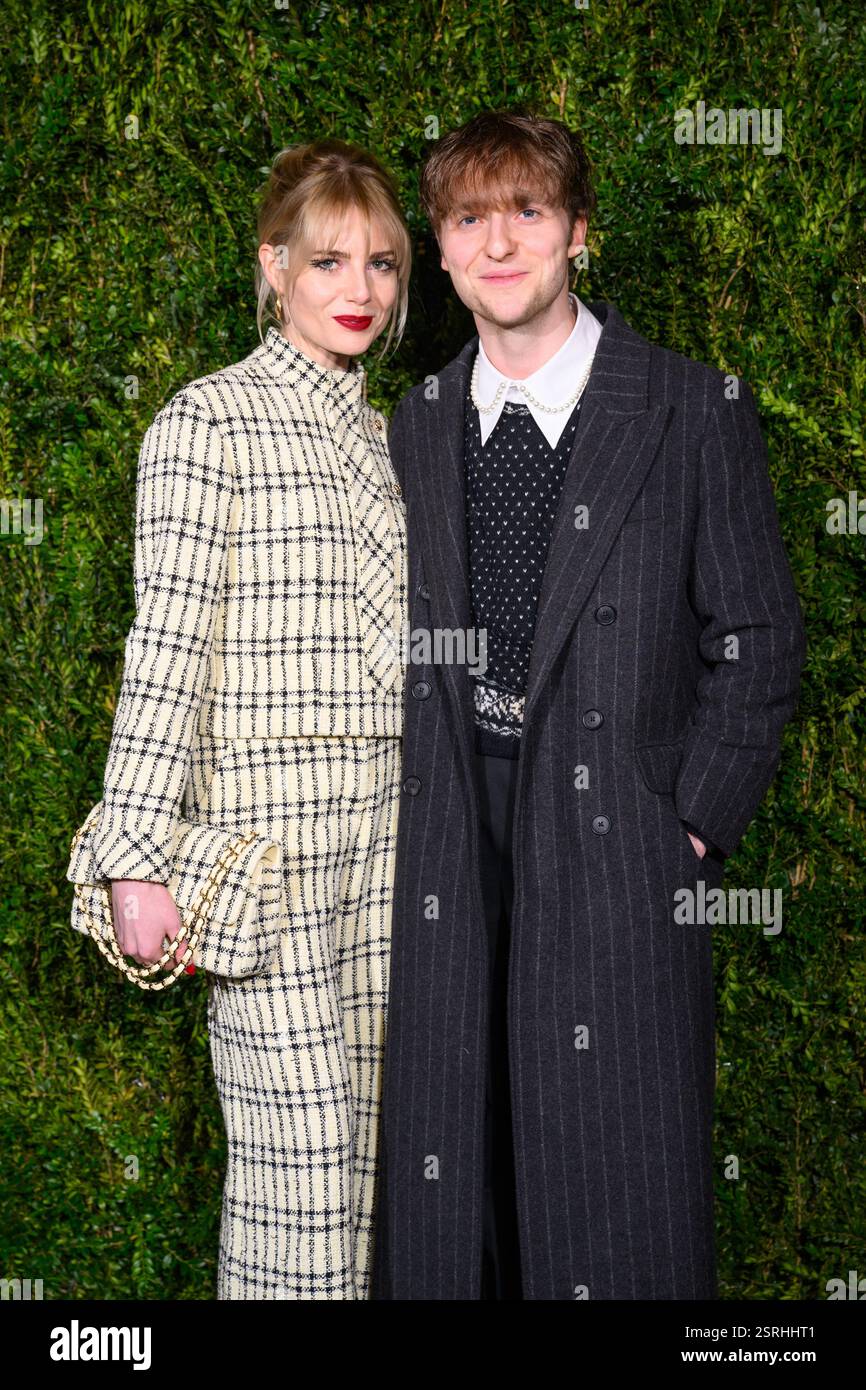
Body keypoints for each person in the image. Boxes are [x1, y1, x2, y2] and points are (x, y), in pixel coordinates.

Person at [371, 109, 807, 1300]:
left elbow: (758, 635)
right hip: (453, 830)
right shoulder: (414, 424)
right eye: (468, 218)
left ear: (576, 234)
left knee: (613, 1170)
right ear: (442, 247)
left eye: (525, 213)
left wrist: (693, 824)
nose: (497, 243)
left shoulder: (683, 406)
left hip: (619, 834)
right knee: (461, 1165)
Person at [88, 138, 411, 1299]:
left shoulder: (390, 440)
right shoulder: (204, 422)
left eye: (380, 262)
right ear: (272, 266)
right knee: (304, 1163)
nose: (359, 289)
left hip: (387, 841)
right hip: (262, 844)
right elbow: (164, 647)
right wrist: (132, 855)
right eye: (328, 261)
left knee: (374, 1163)